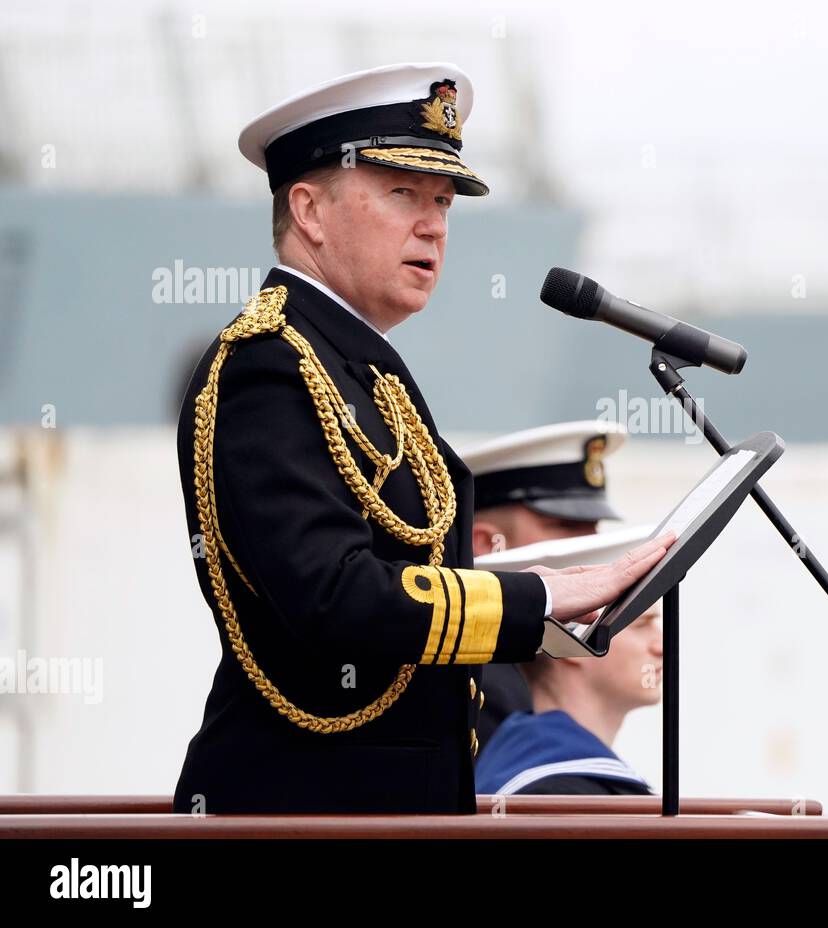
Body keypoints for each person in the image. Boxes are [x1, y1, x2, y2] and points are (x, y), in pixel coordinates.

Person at [172, 62, 671, 815]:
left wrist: (549, 607)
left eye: (442, 202)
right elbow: (333, 598)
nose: (434, 224)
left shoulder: (363, 371)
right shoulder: (268, 366)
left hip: (385, 809)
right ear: (308, 209)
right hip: (299, 812)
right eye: (402, 194)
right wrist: (539, 596)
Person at [461, 420, 629, 748]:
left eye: (593, 527)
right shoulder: (479, 680)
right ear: (485, 543)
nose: (592, 544)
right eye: (566, 526)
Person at [474, 531, 662, 796]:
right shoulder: (559, 792)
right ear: (572, 644)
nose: (661, 647)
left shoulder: (527, 769)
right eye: (641, 625)